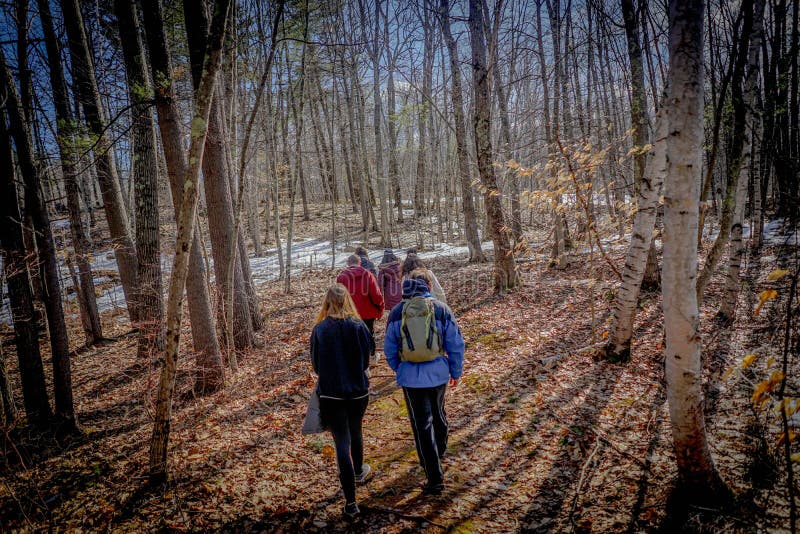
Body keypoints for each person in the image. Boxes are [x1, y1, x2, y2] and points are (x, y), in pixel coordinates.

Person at [383, 276, 465, 496]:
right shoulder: (441, 309)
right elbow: (456, 343)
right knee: (438, 413)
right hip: (438, 374)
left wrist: (399, 368)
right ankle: (441, 449)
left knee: (422, 425)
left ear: (405, 292)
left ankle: (434, 477)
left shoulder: (397, 313)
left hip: (410, 378)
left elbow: (389, 348)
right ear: (427, 289)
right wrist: (455, 371)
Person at [310, 284, 374, 518]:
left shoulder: (320, 330)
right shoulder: (358, 326)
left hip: (331, 394)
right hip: (358, 391)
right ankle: (357, 471)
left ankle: (350, 502)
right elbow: (367, 361)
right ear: (347, 300)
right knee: (355, 431)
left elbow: (316, 366)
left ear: (327, 303)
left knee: (341, 441)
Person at [337, 255, 384, 355]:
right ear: (360, 263)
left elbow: (338, 297)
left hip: (349, 313)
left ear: (348, 263)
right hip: (367, 312)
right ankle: (371, 356)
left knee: (351, 336)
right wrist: (380, 307)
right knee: (368, 334)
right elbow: (376, 295)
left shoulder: (342, 277)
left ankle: (354, 358)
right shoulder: (368, 274)